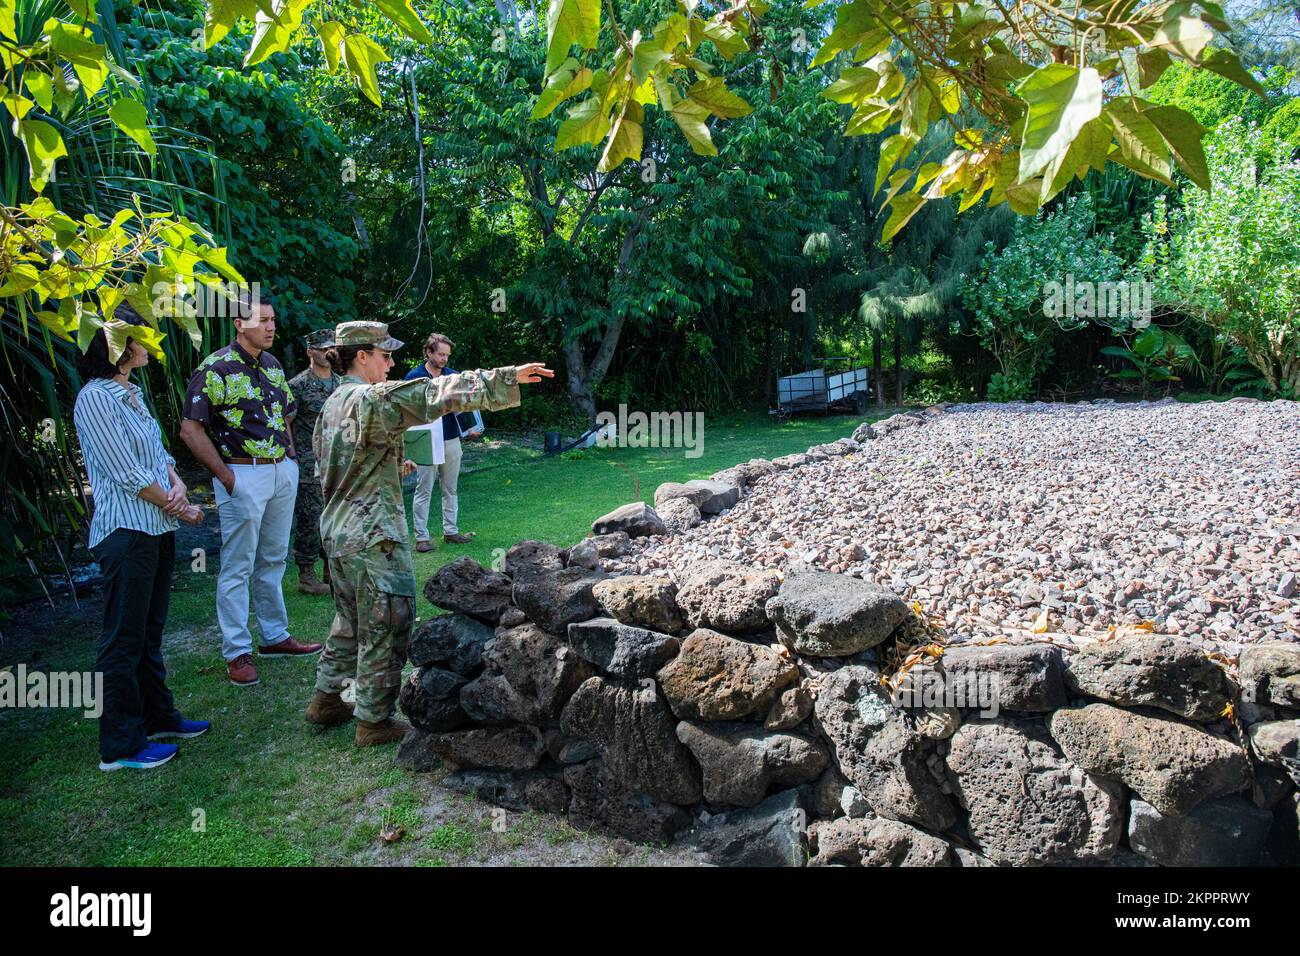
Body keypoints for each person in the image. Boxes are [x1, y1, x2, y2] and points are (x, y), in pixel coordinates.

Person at [305, 321, 552, 745]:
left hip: (338, 532)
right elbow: (433, 394)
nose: (392, 363)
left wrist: (388, 460)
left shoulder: (333, 404)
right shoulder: (369, 399)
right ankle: (373, 721)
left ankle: (327, 698)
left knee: (349, 620)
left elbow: (331, 463)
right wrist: (505, 378)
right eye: (385, 355)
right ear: (361, 356)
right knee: (388, 622)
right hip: (371, 535)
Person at [72, 310, 209, 771]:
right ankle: (121, 745)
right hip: (126, 531)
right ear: (119, 344)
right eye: (142, 335)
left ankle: (158, 717)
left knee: (148, 633)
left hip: (155, 528)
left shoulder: (131, 393)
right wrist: (181, 506)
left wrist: (178, 485)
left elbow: (159, 457)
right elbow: (126, 473)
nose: (151, 341)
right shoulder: (95, 398)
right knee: (122, 639)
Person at [179, 293, 322, 687]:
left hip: (281, 472)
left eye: (273, 319)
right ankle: (237, 651)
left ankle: (275, 636)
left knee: (274, 558)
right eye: (262, 320)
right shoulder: (216, 368)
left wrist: (290, 458)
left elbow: (285, 415)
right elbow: (191, 429)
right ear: (239, 324)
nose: (271, 326)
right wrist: (226, 477)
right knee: (238, 564)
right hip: (243, 475)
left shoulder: (273, 365)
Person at [404, 333, 483, 552]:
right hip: (426, 440)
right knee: (424, 489)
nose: (444, 359)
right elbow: (407, 411)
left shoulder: (453, 376)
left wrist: (470, 428)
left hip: (450, 437)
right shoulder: (414, 377)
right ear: (428, 352)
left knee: (450, 488)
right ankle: (421, 537)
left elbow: (464, 407)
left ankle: (451, 531)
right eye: (440, 354)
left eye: (447, 355)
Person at [286, 329, 339, 596]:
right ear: (310, 352)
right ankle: (306, 574)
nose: (327, 354)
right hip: (308, 463)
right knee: (310, 519)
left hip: (336, 462)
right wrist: (292, 456)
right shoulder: (298, 386)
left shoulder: (341, 384)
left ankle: (332, 570)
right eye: (321, 349)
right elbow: (285, 423)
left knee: (335, 517)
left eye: (331, 348)